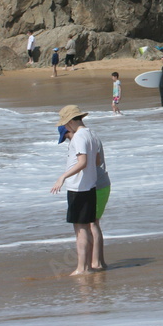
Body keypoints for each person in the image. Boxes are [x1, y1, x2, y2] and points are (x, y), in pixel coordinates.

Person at [50, 105, 102, 275]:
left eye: (66, 124)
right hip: (90, 186)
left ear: (72, 121)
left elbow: (83, 162)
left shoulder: (79, 136)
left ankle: (83, 268)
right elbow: (97, 160)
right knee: (86, 228)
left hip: (78, 188)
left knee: (80, 230)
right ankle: (87, 266)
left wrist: (63, 177)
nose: (65, 127)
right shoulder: (91, 134)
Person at [58, 122, 111, 271]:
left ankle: (97, 263)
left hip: (97, 184)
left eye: (67, 137)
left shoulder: (83, 138)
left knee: (92, 223)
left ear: (69, 128)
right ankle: (96, 262)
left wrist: (64, 177)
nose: (69, 140)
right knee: (92, 223)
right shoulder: (90, 135)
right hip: (97, 183)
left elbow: (91, 162)